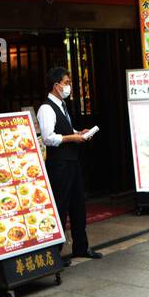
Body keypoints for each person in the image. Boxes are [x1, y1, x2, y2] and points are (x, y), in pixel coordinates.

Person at [37, 67, 101, 264]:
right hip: (59, 165)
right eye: (66, 83)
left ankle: (81, 247)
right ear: (56, 86)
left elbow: (63, 130)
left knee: (78, 204)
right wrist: (73, 137)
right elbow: (48, 138)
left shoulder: (62, 105)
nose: (69, 86)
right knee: (60, 206)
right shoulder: (46, 108)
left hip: (72, 162)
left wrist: (77, 132)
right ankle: (55, 254)